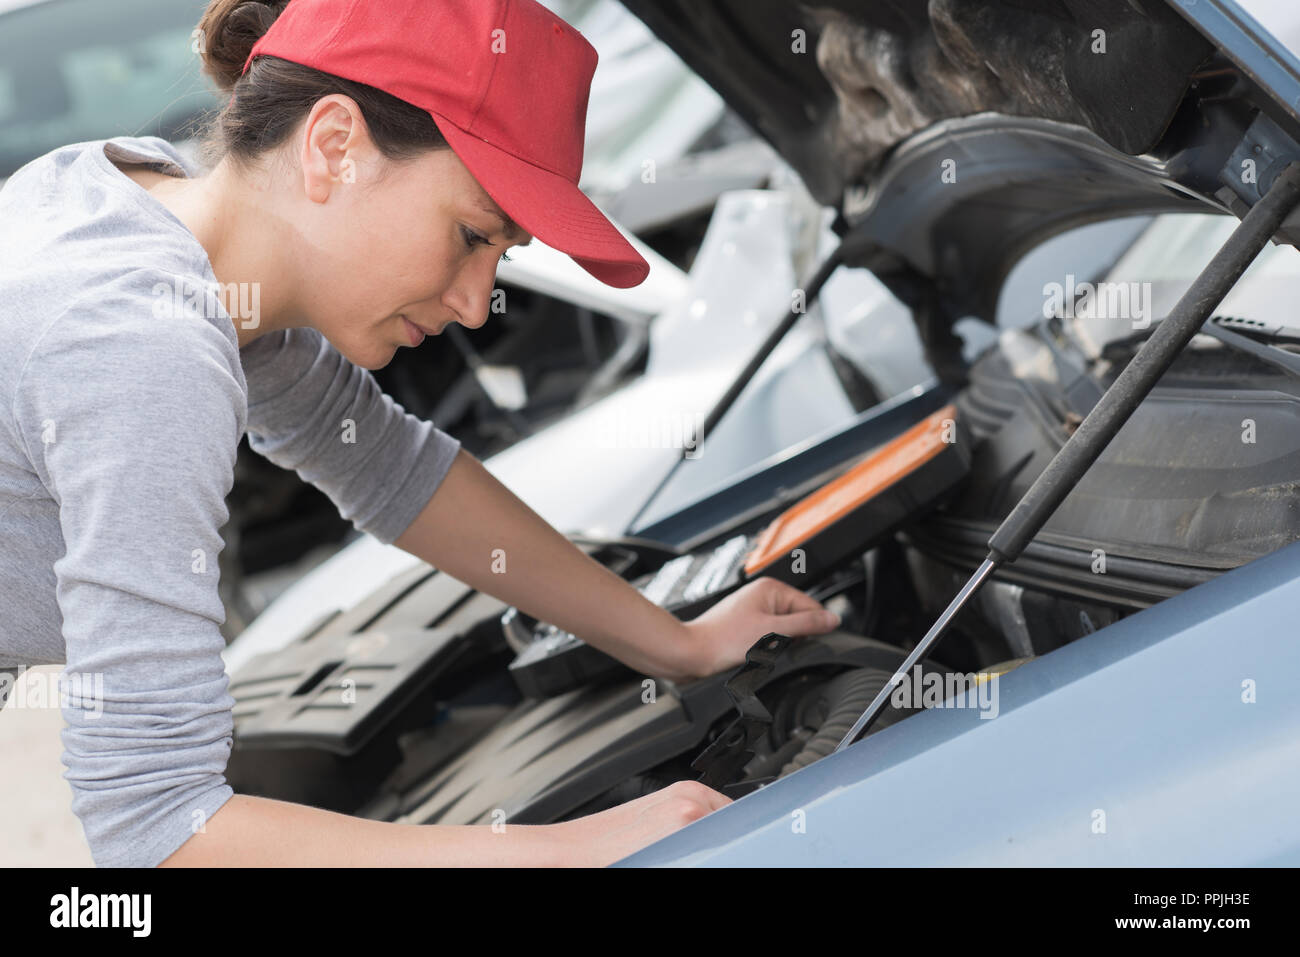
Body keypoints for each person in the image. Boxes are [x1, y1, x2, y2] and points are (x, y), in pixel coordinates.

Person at [0, 0, 839, 867]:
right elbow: (159, 825)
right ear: (334, 147)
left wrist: (679, 640)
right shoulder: (143, 345)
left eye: (501, 258)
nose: (478, 303)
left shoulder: (120, 193)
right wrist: (574, 848)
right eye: (470, 235)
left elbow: (385, 461)